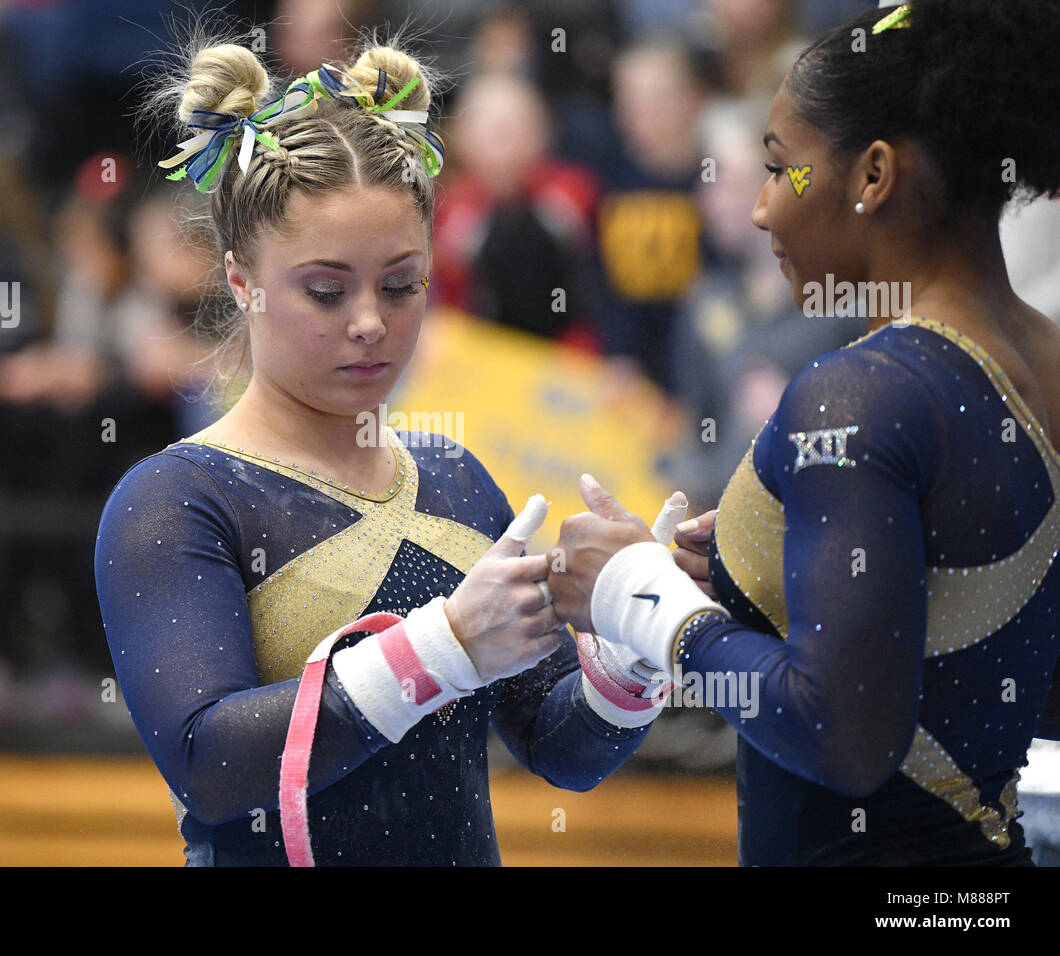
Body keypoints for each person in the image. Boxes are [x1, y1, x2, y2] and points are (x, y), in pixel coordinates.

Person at [94, 36, 672, 867]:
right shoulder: (177, 499)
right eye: (326, 291)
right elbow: (211, 767)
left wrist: (633, 644)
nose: (370, 321)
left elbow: (560, 747)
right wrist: (446, 647)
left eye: (402, 285)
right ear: (241, 280)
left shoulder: (455, 477)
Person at [546, 0, 1060, 865]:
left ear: (873, 176)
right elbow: (1006, 670)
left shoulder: (859, 394)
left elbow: (843, 738)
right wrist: (773, 584)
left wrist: (638, 596)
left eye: (779, 170)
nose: (755, 211)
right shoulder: (1041, 355)